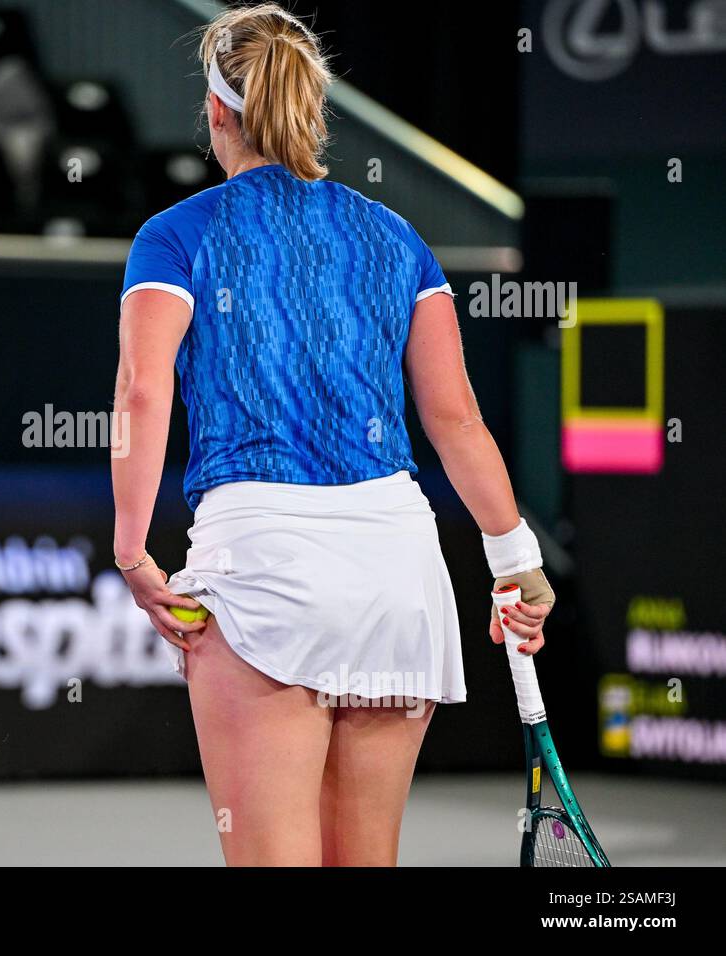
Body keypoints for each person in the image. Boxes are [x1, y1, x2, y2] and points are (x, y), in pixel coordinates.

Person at [111, 3, 555, 867]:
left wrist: (134, 555)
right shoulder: (397, 239)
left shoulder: (176, 236)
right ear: (311, 109)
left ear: (214, 111)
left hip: (266, 565)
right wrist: (516, 560)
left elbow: (139, 394)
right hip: (399, 572)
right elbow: (456, 418)